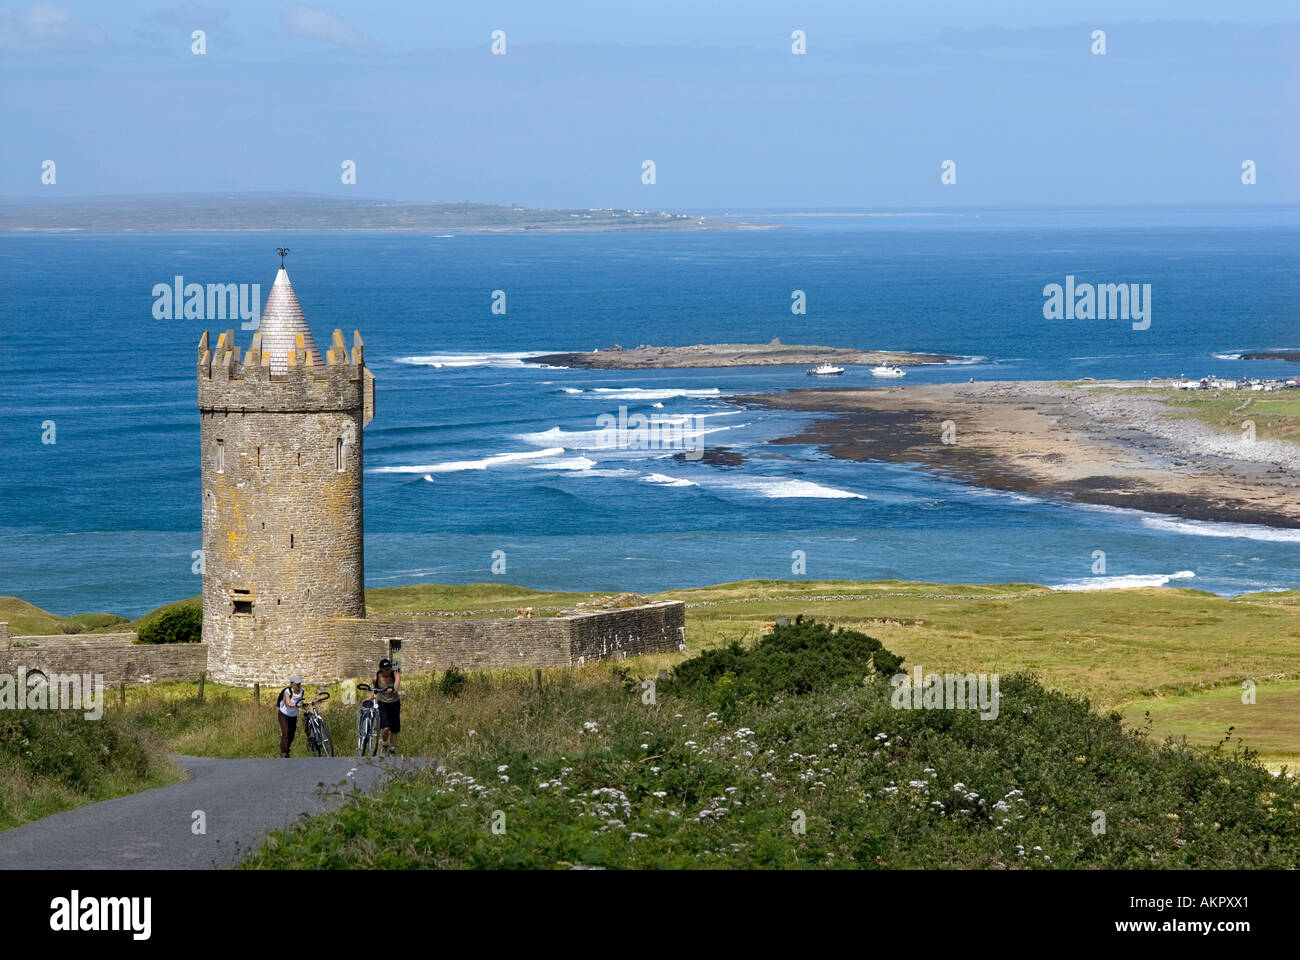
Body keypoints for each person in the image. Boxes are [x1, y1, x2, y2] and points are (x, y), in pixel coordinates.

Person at [373, 658, 401, 756]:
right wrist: (370, 697)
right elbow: (375, 689)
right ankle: (384, 743)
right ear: (381, 670)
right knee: (385, 727)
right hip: (383, 703)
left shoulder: (395, 675)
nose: (388, 671)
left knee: (394, 728)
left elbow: (397, 683)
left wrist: (393, 689)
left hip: (394, 703)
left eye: (389, 668)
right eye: (386, 669)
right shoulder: (376, 678)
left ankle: (392, 749)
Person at [276, 675, 306, 757]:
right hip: (284, 714)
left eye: (299, 684)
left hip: (293, 715)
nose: (298, 686)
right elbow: (288, 703)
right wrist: (297, 705)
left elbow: (301, 703)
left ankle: (287, 749)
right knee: (286, 732)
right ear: (292, 684)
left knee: (292, 734)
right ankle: (284, 753)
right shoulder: (288, 691)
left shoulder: (302, 691)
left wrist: (307, 709)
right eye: (296, 684)